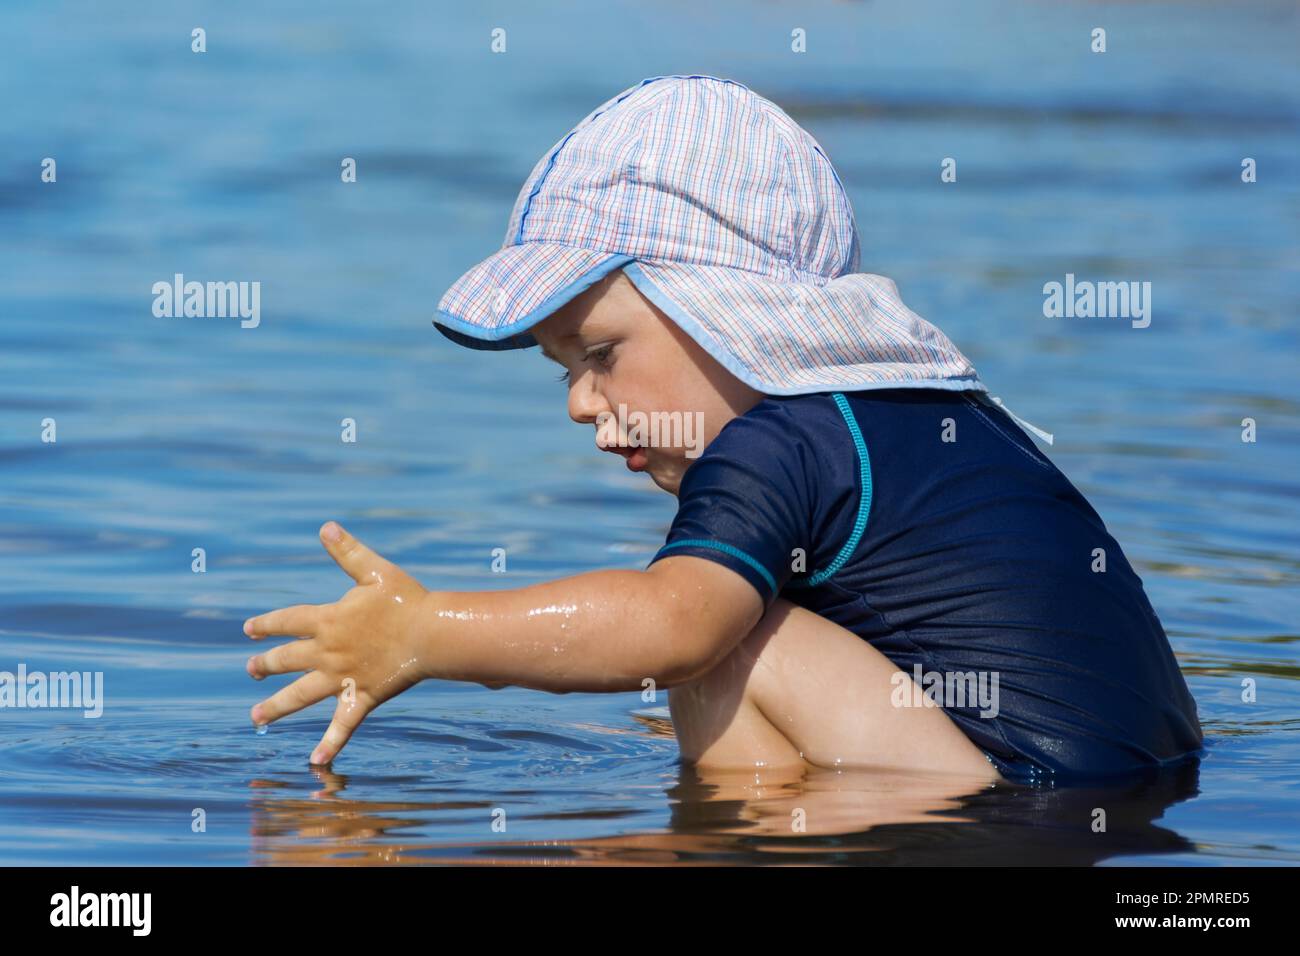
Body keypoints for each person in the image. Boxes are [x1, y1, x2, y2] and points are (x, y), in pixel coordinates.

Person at [244, 74, 1203, 785]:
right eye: (565, 370)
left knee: (715, 641)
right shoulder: (927, 420)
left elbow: (669, 627)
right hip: (1133, 797)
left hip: (1004, 807)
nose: (580, 402)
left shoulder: (777, 439)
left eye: (601, 354)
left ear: (725, 315)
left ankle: (749, 842)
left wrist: (426, 632)